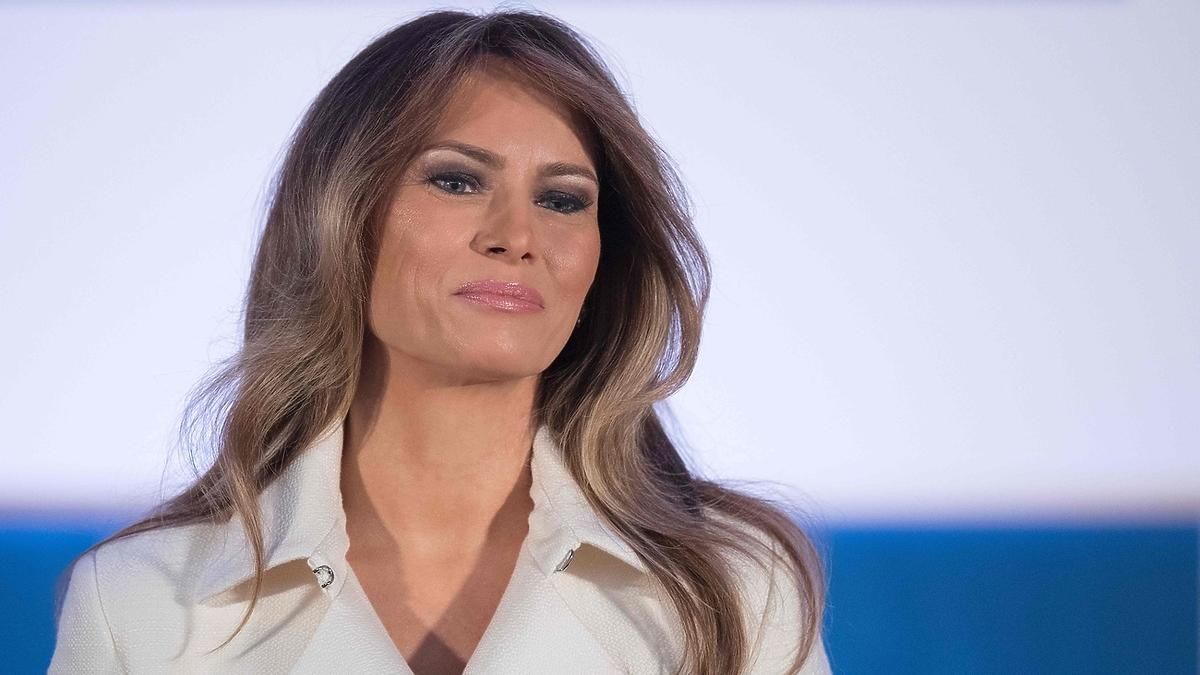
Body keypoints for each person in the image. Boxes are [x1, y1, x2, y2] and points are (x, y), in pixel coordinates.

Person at [49, 9, 832, 675]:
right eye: (457, 181)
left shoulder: (735, 592)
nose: (517, 235)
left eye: (563, 200)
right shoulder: (138, 608)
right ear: (341, 214)